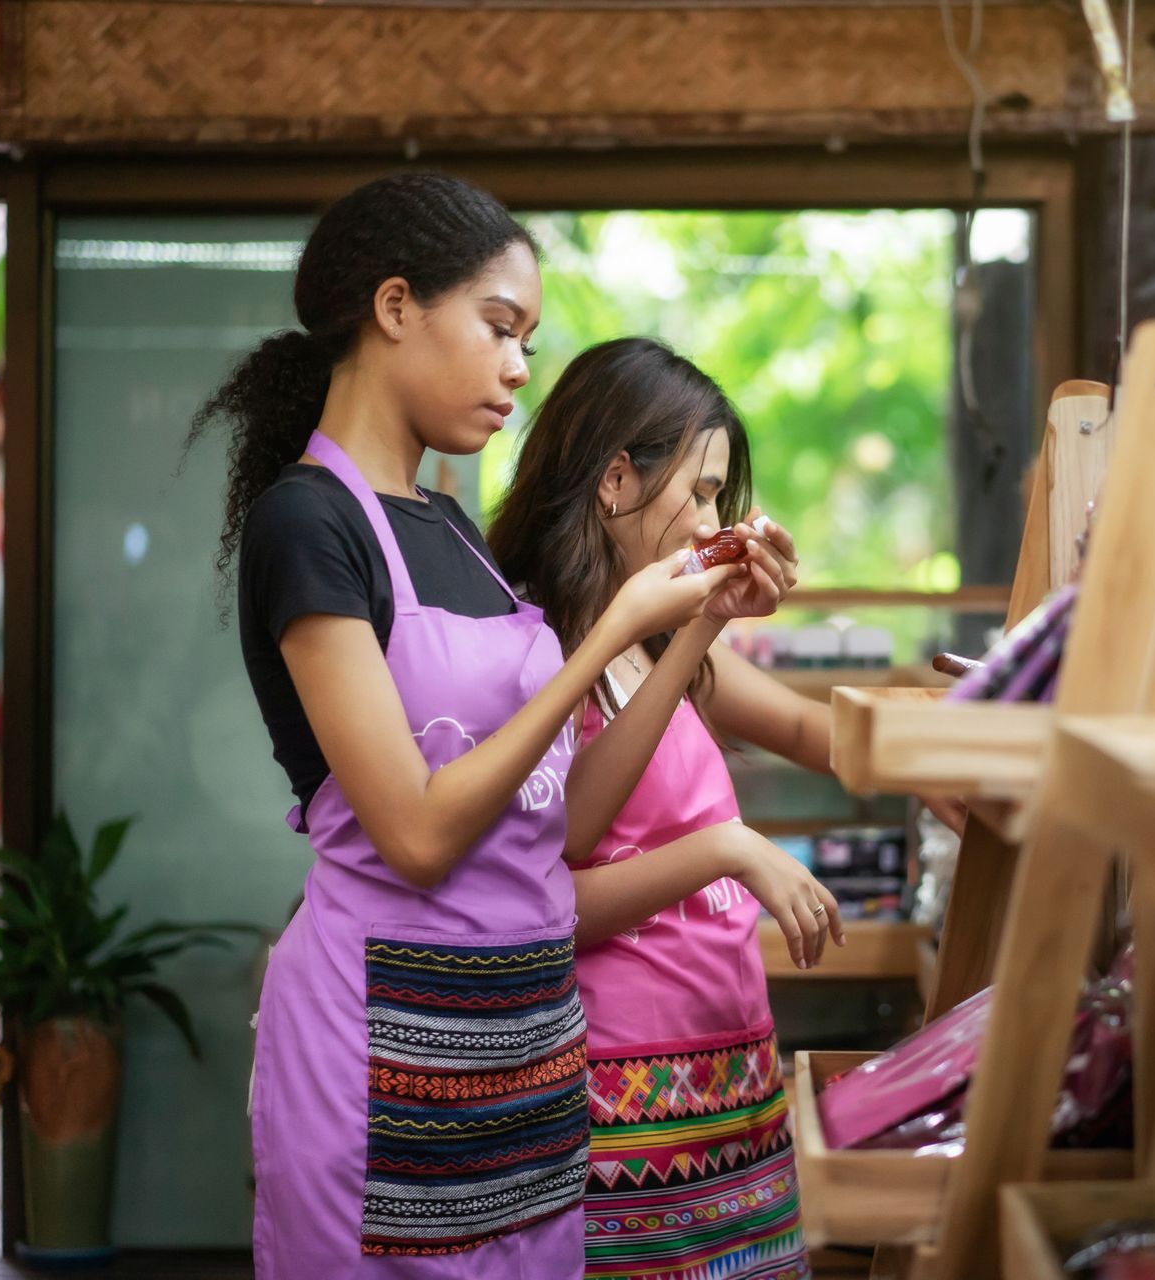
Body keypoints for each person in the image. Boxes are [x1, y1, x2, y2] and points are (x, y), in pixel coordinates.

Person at [191, 173, 750, 1278]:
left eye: (528, 340)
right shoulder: (309, 524)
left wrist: (696, 624)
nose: (518, 368)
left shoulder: (452, 527)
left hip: (527, 1058)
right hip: (383, 1053)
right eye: (499, 327)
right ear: (396, 307)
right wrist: (605, 641)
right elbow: (419, 833)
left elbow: (563, 825)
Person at [489, 337, 955, 1280]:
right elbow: (563, 873)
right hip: (622, 1095)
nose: (712, 518)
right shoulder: (533, 649)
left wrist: (944, 758)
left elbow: (802, 727)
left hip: (734, 1067)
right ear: (616, 481)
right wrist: (725, 848)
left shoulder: (672, 649)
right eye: (698, 493)